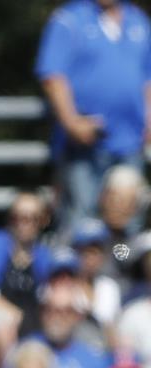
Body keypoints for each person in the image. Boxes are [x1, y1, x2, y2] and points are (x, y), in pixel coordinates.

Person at [37, 0, 151, 234]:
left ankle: (122, 268)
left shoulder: (139, 22)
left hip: (130, 142)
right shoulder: (69, 19)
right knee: (82, 220)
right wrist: (72, 122)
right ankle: (76, 271)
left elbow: (147, 78)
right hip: (84, 144)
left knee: (129, 223)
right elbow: (52, 75)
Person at [0, 193, 61, 323]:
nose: (24, 224)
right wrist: (16, 316)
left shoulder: (46, 256)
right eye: (17, 218)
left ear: (43, 221)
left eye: (32, 219)